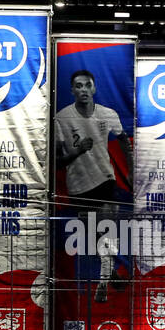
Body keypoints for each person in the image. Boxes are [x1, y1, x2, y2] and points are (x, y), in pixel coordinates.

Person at [55, 69, 132, 301]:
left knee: (106, 234)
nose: (83, 90)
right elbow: (57, 162)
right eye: (78, 86)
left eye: (87, 85)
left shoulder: (108, 114)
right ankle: (112, 278)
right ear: (72, 91)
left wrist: (130, 172)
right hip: (79, 187)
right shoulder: (62, 118)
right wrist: (78, 151)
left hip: (105, 181)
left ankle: (102, 285)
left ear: (94, 88)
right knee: (95, 238)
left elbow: (123, 141)